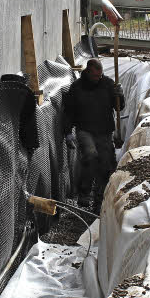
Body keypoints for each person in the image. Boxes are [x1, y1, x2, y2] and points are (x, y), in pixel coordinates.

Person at [62, 59, 124, 210]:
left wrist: (119, 95)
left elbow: (119, 107)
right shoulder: (77, 88)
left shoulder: (108, 84)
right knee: (90, 156)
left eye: (100, 76)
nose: (98, 79)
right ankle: (84, 192)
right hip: (85, 129)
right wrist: (68, 132)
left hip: (104, 131)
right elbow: (69, 112)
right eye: (95, 76)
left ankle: (99, 201)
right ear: (88, 72)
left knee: (106, 164)